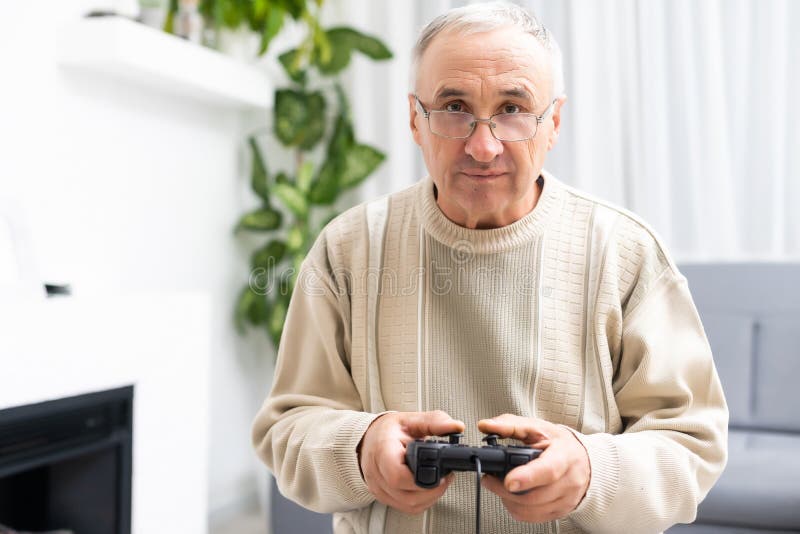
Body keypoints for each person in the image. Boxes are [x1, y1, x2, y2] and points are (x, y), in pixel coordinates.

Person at [251, 2, 728, 533]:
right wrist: (361, 450)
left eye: (512, 108)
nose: (483, 146)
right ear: (415, 118)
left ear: (554, 123)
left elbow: (692, 446)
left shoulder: (626, 251)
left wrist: (592, 472)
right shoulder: (347, 248)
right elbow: (287, 427)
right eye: (454, 106)